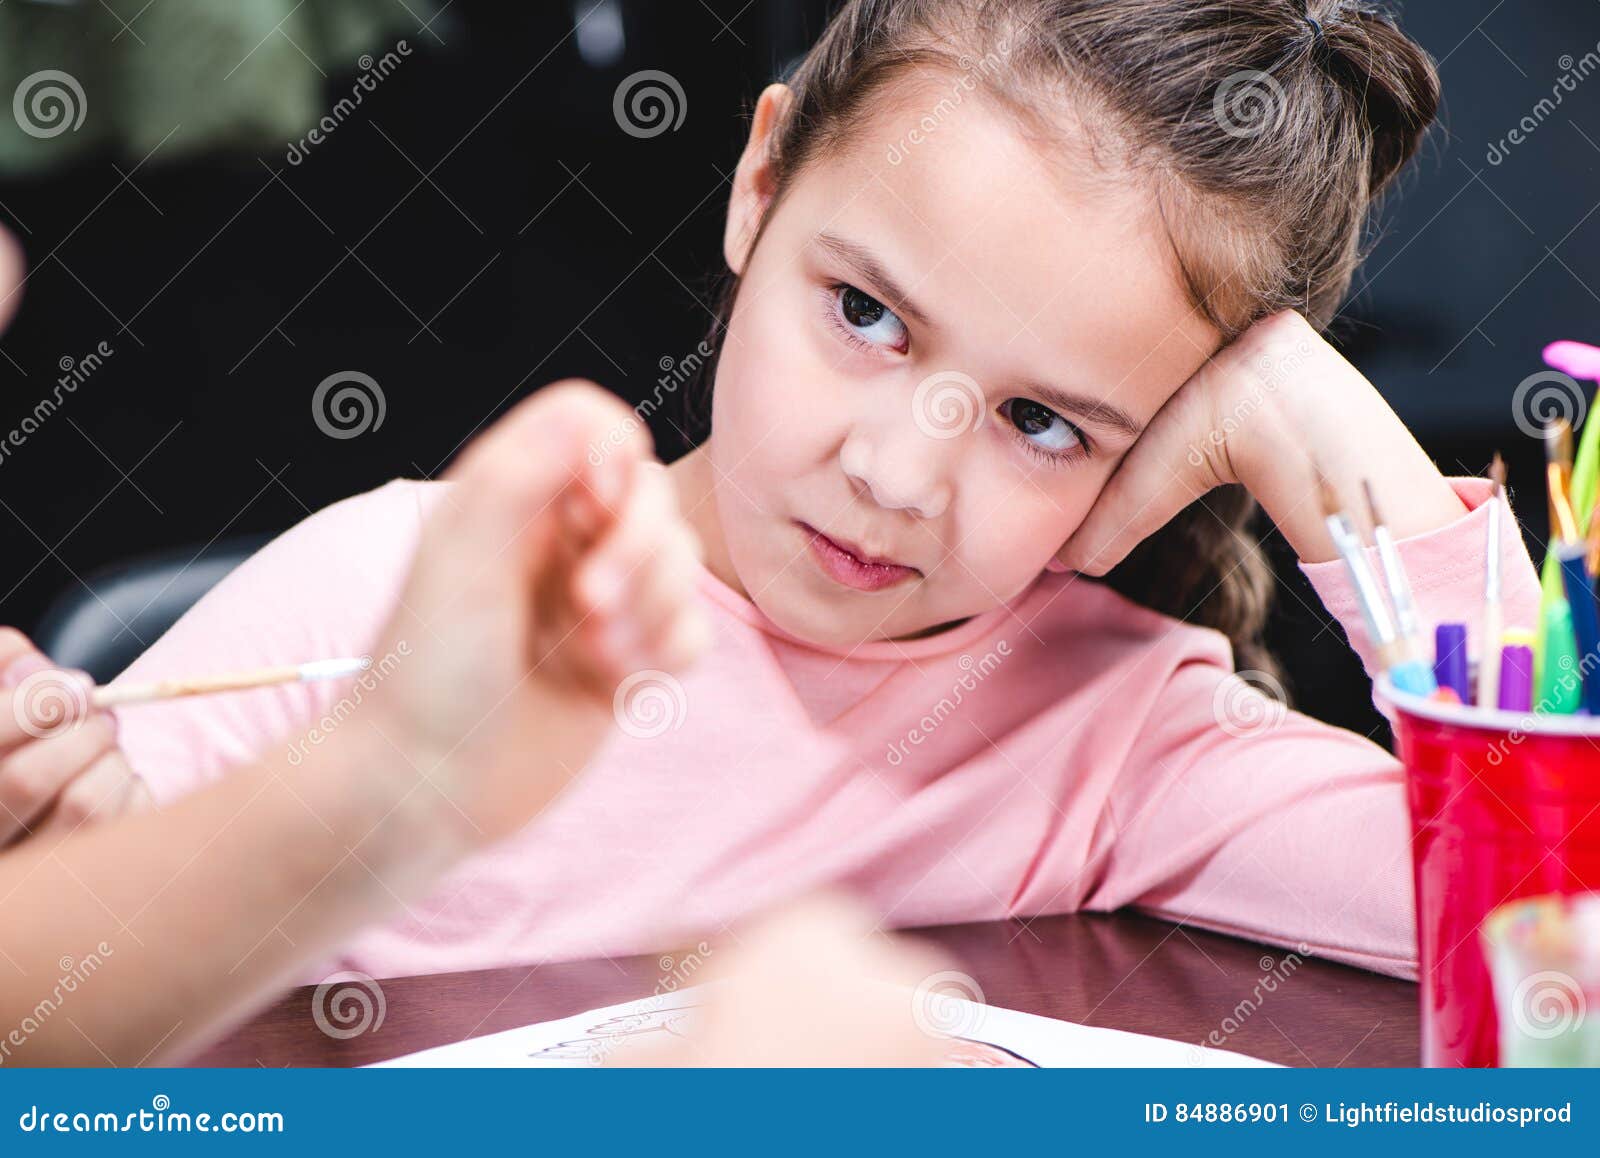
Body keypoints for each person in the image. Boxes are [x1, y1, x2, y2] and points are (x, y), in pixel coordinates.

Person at [6, 0, 1542, 998]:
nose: (893, 473)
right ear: (759, 186)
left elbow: (1558, 943)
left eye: (1041, 421)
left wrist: (1340, 451)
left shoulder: (1112, 735)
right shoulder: (402, 596)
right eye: (866, 313)